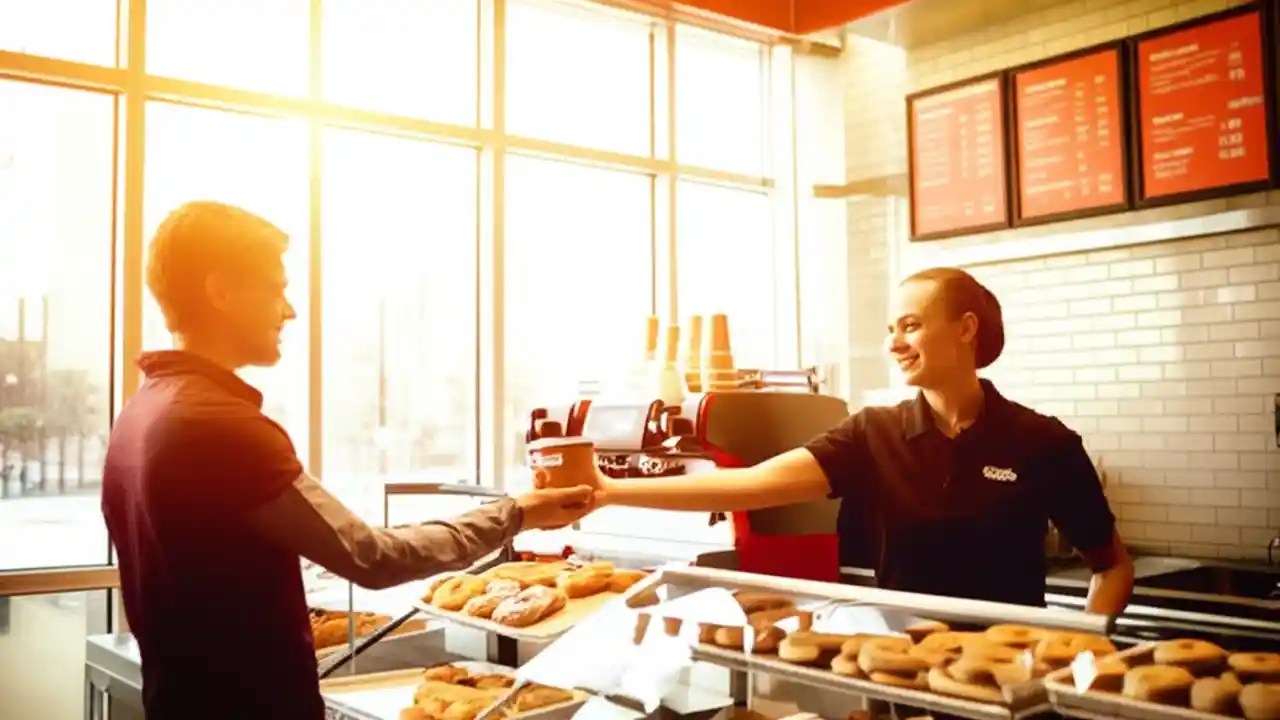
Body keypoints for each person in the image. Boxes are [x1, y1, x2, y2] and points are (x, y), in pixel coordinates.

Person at [101, 201, 594, 720]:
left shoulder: (141, 412)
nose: (287, 310)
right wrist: (516, 513)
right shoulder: (220, 426)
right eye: (275, 289)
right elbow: (372, 556)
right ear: (220, 291)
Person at [540, 267, 1134, 615]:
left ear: (966, 330)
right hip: (899, 675)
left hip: (1009, 680)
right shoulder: (875, 432)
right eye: (890, 330)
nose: (895, 342)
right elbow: (753, 486)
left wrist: (1074, 654)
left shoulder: (1044, 442)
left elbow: (1111, 568)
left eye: (910, 325)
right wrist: (609, 490)